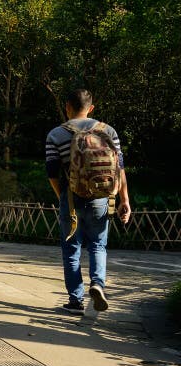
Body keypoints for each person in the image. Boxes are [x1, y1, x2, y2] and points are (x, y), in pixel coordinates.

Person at [45, 89, 131, 314]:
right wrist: (124, 200)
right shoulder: (108, 131)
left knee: (71, 249)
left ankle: (75, 301)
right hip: (102, 198)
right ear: (91, 108)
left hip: (71, 198)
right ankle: (97, 284)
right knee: (98, 245)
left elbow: (52, 172)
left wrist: (62, 196)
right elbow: (119, 168)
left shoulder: (56, 134)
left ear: (67, 107)